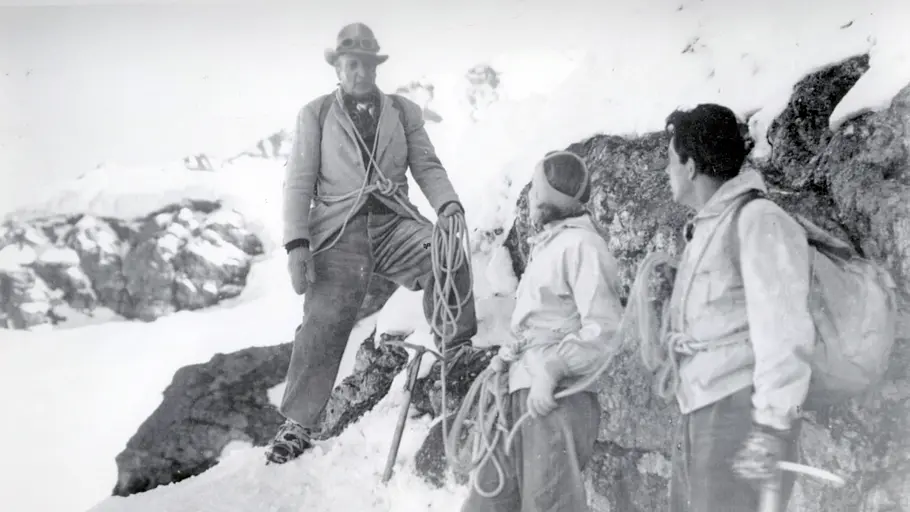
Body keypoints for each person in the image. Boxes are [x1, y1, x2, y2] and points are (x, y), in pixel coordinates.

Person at [267, 22, 478, 465]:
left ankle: (454, 358)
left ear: (376, 66)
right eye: (350, 64)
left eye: (365, 64)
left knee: (446, 253)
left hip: (393, 224)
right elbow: (298, 182)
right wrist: (297, 245)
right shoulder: (316, 114)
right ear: (338, 68)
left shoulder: (402, 112)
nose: (358, 72)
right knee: (324, 318)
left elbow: (426, 164)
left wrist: (448, 205)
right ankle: (298, 426)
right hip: (338, 230)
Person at [653, 103, 814, 511]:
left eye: (671, 161)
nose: (666, 172)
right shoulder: (708, 228)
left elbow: (783, 327)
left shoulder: (757, 219)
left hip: (735, 416)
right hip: (701, 412)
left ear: (690, 166)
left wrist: (774, 426)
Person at [460, 151, 625, 512]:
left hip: (556, 400)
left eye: (537, 189)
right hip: (519, 393)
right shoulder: (547, 248)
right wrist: (503, 361)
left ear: (555, 196)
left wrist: (553, 369)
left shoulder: (583, 247)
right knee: (486, 501)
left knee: (548, 505)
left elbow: (605, 329)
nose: (532, 197)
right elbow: (534, 324)